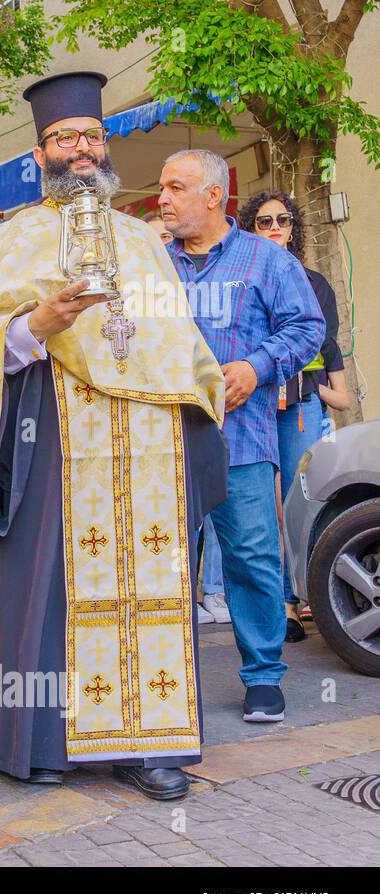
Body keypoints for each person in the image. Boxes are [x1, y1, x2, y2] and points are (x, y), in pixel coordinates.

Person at [0, 73, 229, 800]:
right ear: (41, 153)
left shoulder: (141, 238)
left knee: (151, 590)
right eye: (65, 137)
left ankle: (150, 741)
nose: (82, 149)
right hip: (53, 440)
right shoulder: (12, 239)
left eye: (92, 136)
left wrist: (207, 391)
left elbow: (180, 340)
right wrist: (39, 325)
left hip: (150, 448)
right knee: (52, 593)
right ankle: (39, 739)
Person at [160, 150, 324, 723]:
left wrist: (256, 366)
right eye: (162, 188)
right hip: (162, 441)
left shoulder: (269, 262)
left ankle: (262, 675)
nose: (163, 198)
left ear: (212, 195)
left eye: (176, 188)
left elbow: (307, 329)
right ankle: (166, 681)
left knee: (251, 558)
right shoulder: (154, 266)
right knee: (165, 562)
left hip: (243, 440)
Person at [237, 190, 352, 644]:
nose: (275, 228)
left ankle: (304, 598)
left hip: (300, 407)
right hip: (252, 400)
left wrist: (308, 384)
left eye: (282, 220)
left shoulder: (313, 282)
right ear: (250, 230)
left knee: (295, 504)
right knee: (258, 505)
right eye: (263, 222)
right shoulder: (240, 279)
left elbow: (320, 343)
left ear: (293, 227)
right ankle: (279, 603)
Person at [145, 208, 228, 627]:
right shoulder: (138, 288)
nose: (160, 247)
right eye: (152, 240)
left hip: (207, 415)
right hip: (155, 427)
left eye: (164, 238)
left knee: (213, 514)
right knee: (174, 524)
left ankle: (211, 591)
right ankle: (177, 599)